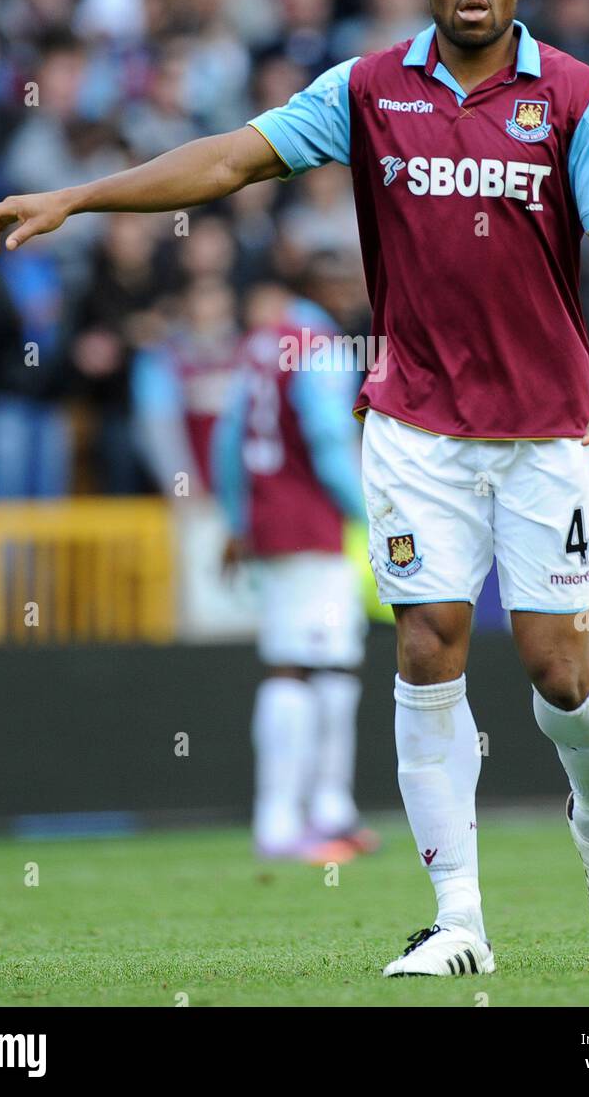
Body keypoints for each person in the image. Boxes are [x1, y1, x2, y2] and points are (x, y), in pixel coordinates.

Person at [0, 0, 589, 978]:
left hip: (541, 430)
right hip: (414, 421)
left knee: (557, 668)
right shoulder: (368, 89)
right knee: (427, 639)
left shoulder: (574, 96)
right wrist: (81, 197)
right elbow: (230, 160)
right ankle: (457, 919)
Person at [212, 266, 373, 863]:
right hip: (311, 521)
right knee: (298, 667)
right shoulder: (321, 347)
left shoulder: (260, 343)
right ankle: (279, 823)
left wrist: (236, 520)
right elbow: (328, 438)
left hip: (271, 522)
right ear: (326, 292)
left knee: (328, 663)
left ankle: (330, 812)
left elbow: (228, 440)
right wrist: (368, 514)